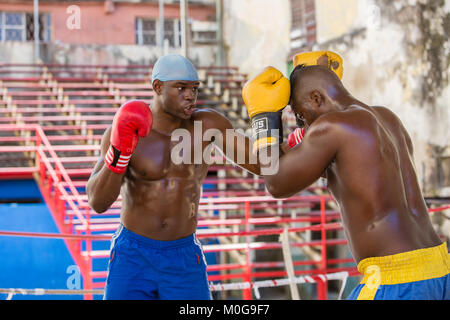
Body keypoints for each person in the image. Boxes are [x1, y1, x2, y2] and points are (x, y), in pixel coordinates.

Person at [242, 52, 450, 300]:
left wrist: (264, 118)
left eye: (300, 115)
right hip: (439, 267)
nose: (302, 125)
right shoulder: (387, 118)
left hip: (397, 280)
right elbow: (282, 157)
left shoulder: (331, 127)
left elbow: (275, 182)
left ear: (316, 98)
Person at [86, 54, 260, 300]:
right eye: (181, 88)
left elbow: (263, 162)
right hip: (133, 254)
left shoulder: (206, 126)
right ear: (158, 87)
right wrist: (119, 153)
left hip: (183, 255)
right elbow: (97, 202)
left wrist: (269, 120)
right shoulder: (124, 130)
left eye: (194, 89)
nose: (190, 95)